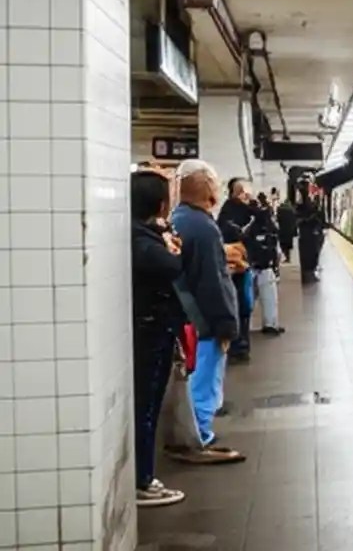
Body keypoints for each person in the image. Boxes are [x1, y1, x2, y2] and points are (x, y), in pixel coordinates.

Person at [169, 159, 246, 464]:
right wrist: (226, 324)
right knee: (205, 382)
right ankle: (199, 438)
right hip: (204, 323)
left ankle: (193, 434)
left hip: (188, 320)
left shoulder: (180, 219)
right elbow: (213, 282)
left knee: (195, 380)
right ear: (210, 192)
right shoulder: (204, 228)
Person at [130, 170, 187, 506]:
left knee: (148, 405)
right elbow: (172, 268)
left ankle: (144, 476)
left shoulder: (141, 233)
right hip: (151, 330)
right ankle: (142, 480)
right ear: (160, 203)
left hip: (151, 327)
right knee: (146, 405)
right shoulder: (143, 240)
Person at [217, 178, 257, 362]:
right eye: (243, 191)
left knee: (244, 306)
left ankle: (241, 344)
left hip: (243, 265)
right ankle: (238, 345)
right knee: (240, 305)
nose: (246, 195)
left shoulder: (239, 210)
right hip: (236, 267)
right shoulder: (232, 212)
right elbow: (234, 234)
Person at [251, 192, 285, 335]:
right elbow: (275, 248)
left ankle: (245, 327)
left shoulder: (249, 226)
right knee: (269, 297)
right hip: (265, 266)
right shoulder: (269, 226)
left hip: (251, 266)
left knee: (249, 299)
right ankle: (270, 324)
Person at [297, 184, 324, 283]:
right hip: (309, 234)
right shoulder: (307, 205)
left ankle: (309, 272)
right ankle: (309, 273)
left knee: (310, 253)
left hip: (308, 234)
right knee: (311, 253)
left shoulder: (302, 204)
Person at [276, 196, 298, 264]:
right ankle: (288, 257)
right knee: (288, 245)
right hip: (289, 230)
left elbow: (278, 220)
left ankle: (287, 257)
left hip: (282, 230)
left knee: (283, 245)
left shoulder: (280, 210)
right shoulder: (292, 211)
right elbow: (295, 221)